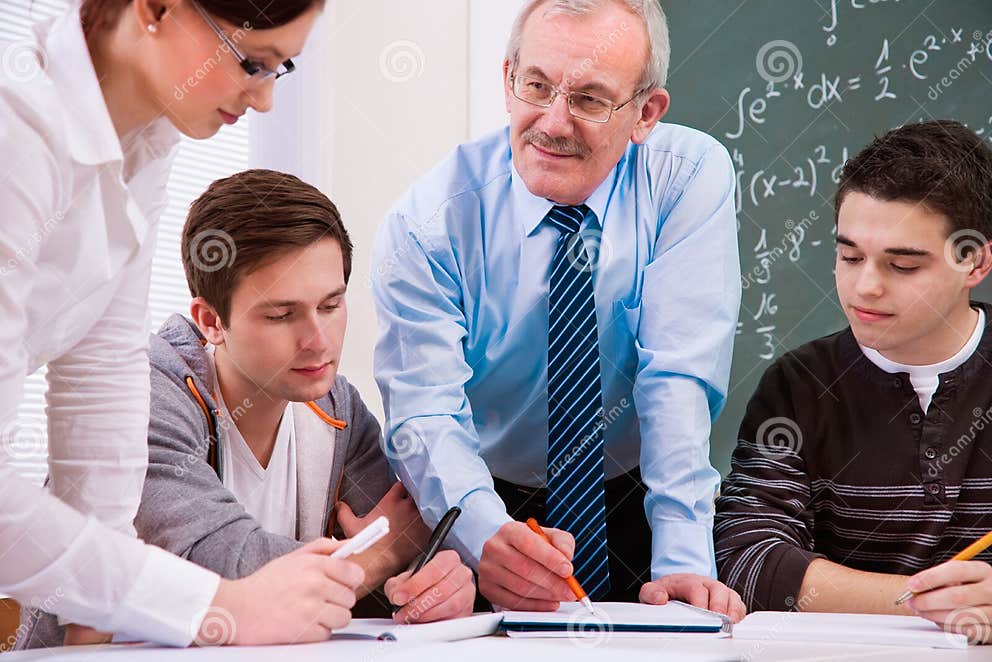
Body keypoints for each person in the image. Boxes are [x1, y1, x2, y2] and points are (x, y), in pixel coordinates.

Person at [0, 0, 358, 647]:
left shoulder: (146, 138)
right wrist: (218, 606)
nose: (265, 100)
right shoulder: (15, 129)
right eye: (252, 63)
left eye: (281, 70)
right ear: (156, 8)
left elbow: (99, 374)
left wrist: (94, 626)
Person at [371, 0, 744, 619]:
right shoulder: (427, 223)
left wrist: (682, 559)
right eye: (536, 86)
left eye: (590, 100)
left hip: (637, 490)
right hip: (481, 494)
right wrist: (484, 534)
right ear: (507, 78)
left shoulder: (686, 177)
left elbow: (676, 376)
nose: (553, 123)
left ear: (646, 113)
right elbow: (426, 411)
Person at [15, 169, 477, 649]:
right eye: (281, 315)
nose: (318, 341)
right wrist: (379, 557)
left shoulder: (339, 409)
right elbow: (229, 568)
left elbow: (411, 544)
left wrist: (435, 585)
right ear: (211, 321)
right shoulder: (142, 394)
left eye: (331, 305)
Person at [714, 120, 992, 644]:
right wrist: (935, 606)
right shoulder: (799, 386)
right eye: (849, 256)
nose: (865, 286)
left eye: (903, 265)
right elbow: (747, 559)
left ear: (973, 260)